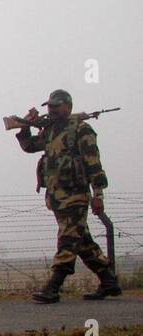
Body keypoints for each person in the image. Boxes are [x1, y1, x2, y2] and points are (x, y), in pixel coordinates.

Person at [15, 89, 120, 303]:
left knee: (67, 238)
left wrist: (98, 194)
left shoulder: (81, 130)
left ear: (68, 107)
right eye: (50, 106)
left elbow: (94, 164)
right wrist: (25, 127)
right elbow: (30, 147)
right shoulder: (51, 131)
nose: (52, 109)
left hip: (76, 195)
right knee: (81, 241)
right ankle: (109, 281)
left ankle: (53, 287)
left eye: (56, 105)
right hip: (56, 196)